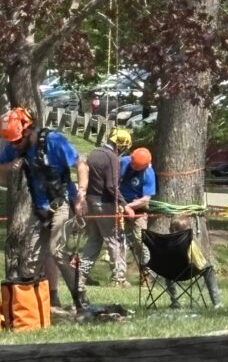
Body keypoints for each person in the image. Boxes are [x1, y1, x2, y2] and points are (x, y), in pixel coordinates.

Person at [0, 107, 89, 309]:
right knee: (30, 258)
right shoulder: (13, 148)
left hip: (62, 202)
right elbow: (0, 171)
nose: (14, 145)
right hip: (38, 207)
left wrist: (81, 195)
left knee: (57, 250)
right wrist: (10, 166)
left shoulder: (54, 141)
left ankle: (81, 298)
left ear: (29, 131)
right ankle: (35, 306)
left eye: (17, 141)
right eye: (11, 142)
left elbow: (82, 164)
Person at [77, 127, 135, 299]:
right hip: (104, 204)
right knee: (114, 240)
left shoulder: (94, 153)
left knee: (94, 240)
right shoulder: (112, 158)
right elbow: (111, 186)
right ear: (121, 145)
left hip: (90, 201)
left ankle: (80, 276)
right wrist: (125, 205)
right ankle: (119, 277)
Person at [167, 216, 223, 308]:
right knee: (209, 269)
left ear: (170, 230)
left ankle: (174, 301)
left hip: (171, 272)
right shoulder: (189, 243)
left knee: (167, 271)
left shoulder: (164, 242)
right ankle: (217, 302)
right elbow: (199, 262)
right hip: (188, 271)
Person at [119, 147, 156, 276]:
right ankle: (119, 275)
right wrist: (122, 205)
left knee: (141, 240)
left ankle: (146, 273)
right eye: (132, 164)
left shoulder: (149, 173)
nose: (133, 167)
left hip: (138, 207)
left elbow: (146, 199)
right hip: (120, 205)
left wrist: (128, 206)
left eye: (137, 167)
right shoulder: (123, 162)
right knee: (118, 240)